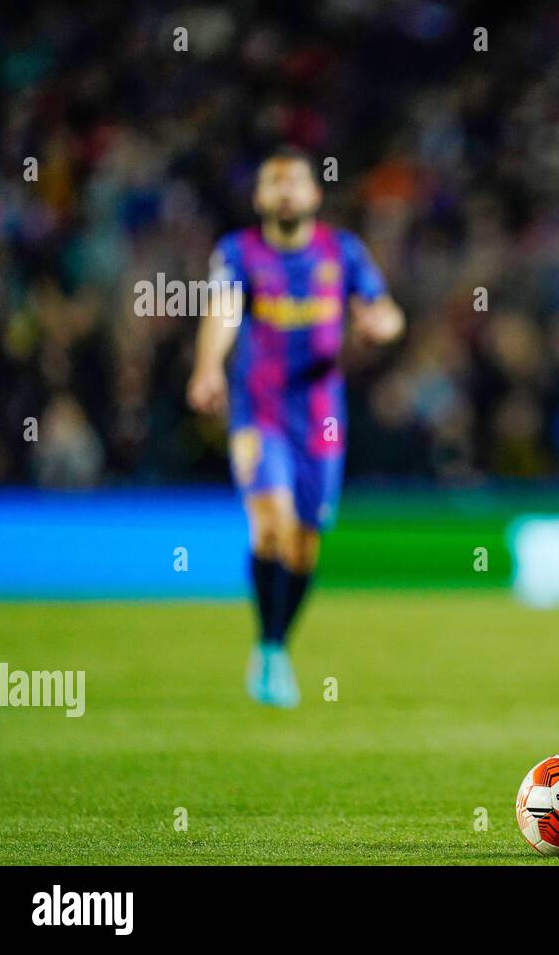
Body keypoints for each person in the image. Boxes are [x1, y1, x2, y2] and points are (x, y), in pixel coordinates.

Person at [187, 147, 404, 708]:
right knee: (270, 528)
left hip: (322, 418)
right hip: (259, 410)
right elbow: (224, 312)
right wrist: (208, 366)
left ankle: (276, 647)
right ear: (260, 197)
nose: (285, 191)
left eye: (295, 182)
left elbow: (384, 310)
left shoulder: (342, 251)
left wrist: (382, 324)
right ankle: (267, 649)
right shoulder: (239, 253)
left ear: (314, 194)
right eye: (274, 182)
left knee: (305, 544)